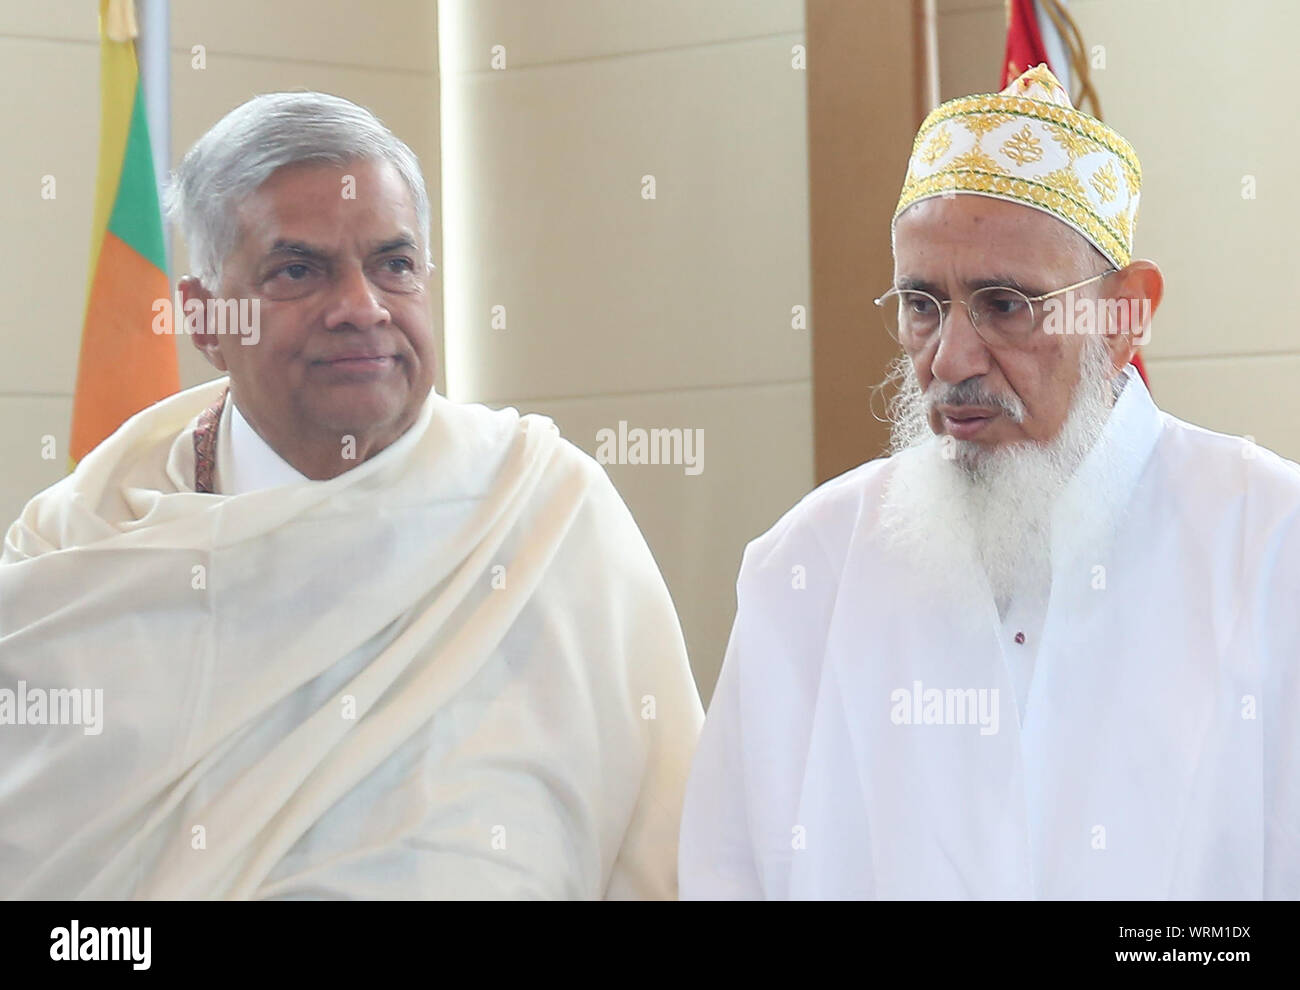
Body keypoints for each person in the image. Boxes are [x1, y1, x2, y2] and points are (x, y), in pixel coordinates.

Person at [0, 91, 702, 900]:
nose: (361, 309)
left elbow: (676, 849)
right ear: (203, 318)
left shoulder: (545, 512)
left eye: (393, 265)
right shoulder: (80, 554)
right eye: (299, 270)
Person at [679, 65, 1299, 899]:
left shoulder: (1269, 545)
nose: (950, 358)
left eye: (1006, 304)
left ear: (1124, 316)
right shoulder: (806, 569)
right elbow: (729, 876)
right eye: (922, 303)